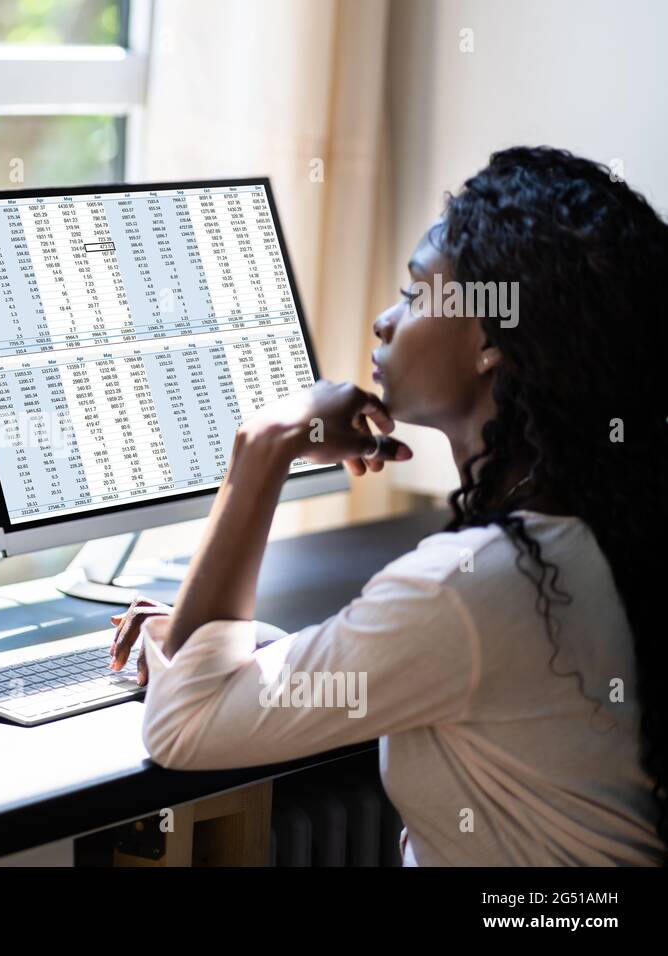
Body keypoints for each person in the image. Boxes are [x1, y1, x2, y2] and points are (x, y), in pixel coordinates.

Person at [109, 146, 667, 866]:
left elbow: (183, 727)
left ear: (491, 340)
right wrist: (254, 658)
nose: (384, 321)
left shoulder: (475, 586)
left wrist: (267, 441)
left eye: (412, 293)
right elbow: (486, 670)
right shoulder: (601, 529)